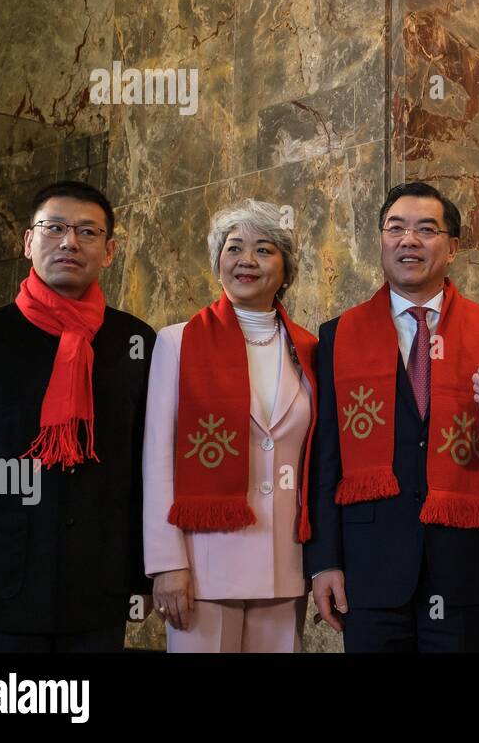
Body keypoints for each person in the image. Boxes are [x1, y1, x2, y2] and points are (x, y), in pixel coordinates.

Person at [305, 182, 479, 652]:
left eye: (426, 229)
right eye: (396, 228)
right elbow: (325, 459)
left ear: (453, 247)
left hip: (461, 569)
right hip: (369, 572)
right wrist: (324, 562)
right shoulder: (338, 336)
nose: (409, 240)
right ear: (381, 241)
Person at [0, 180, 155, 652]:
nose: (69, 242)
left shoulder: (135, 343)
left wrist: (146, 573)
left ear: (110, 250)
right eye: (54, 227)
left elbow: (147, 467)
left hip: (99, 590)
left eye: (87, 232)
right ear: (28, 242)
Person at [143, 200, 317, 652]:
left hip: (285, 565)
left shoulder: (310, 351)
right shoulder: (177, 342)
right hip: (203, 570)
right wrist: (167, 563)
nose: (247, 261)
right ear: (218, 261)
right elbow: (158, 460)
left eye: (264, 250)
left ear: (286, 267)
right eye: (234, 247)